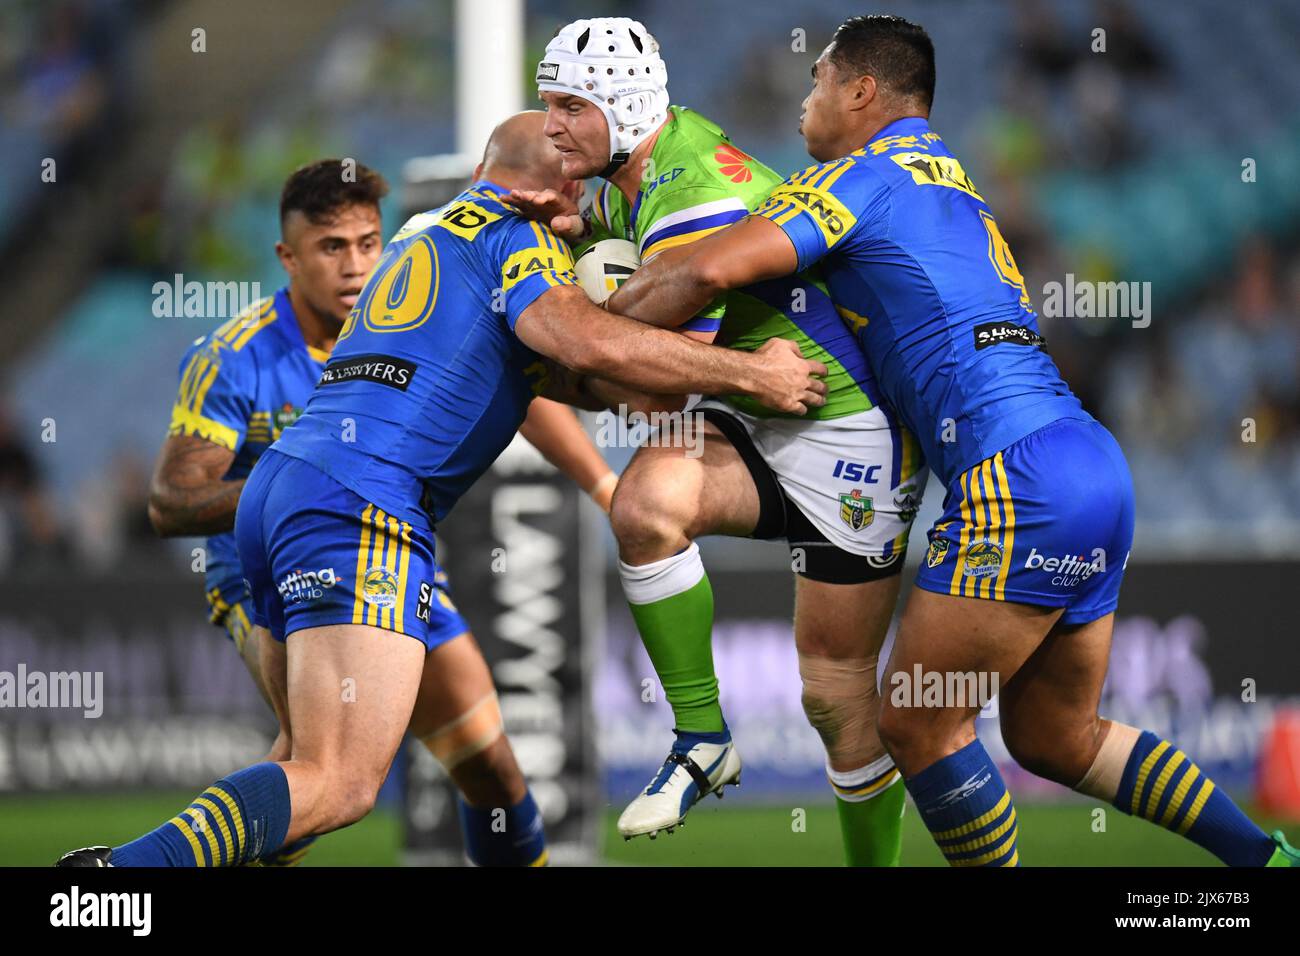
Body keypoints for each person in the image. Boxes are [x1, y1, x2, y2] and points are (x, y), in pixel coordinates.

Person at [601, 14, 1298, 867]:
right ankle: (1266, 862)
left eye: (817, 82)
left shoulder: (862, 177)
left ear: (861, 91)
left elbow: (709, 266)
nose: (804, 104)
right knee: (1058, 738)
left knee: (914, 720)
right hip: (1088, 464)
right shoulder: (952, 179)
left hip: (1015, 478)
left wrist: (596, 332)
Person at [58, 111, 824, 866]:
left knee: (309, 768)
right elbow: (582, 343)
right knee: (341, 784)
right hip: (363, 510)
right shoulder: (514, 240)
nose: (593, 204)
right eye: (582, 186)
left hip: (281, 493)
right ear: (544, 187)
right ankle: (113, 881)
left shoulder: (417, 239)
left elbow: (563, 377)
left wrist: (631, 400)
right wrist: (751, 372)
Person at [508, 16, 920, 864]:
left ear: (622, 106)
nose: (550, 126)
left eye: (567, 106)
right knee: (646, 506)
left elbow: (660, 373)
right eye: (546, 105)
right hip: (756, 404)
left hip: (847, 426)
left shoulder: (692, 185)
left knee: (837, 701)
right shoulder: (634, 175)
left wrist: (552, 354)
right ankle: (701, 736)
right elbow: (653, 379)